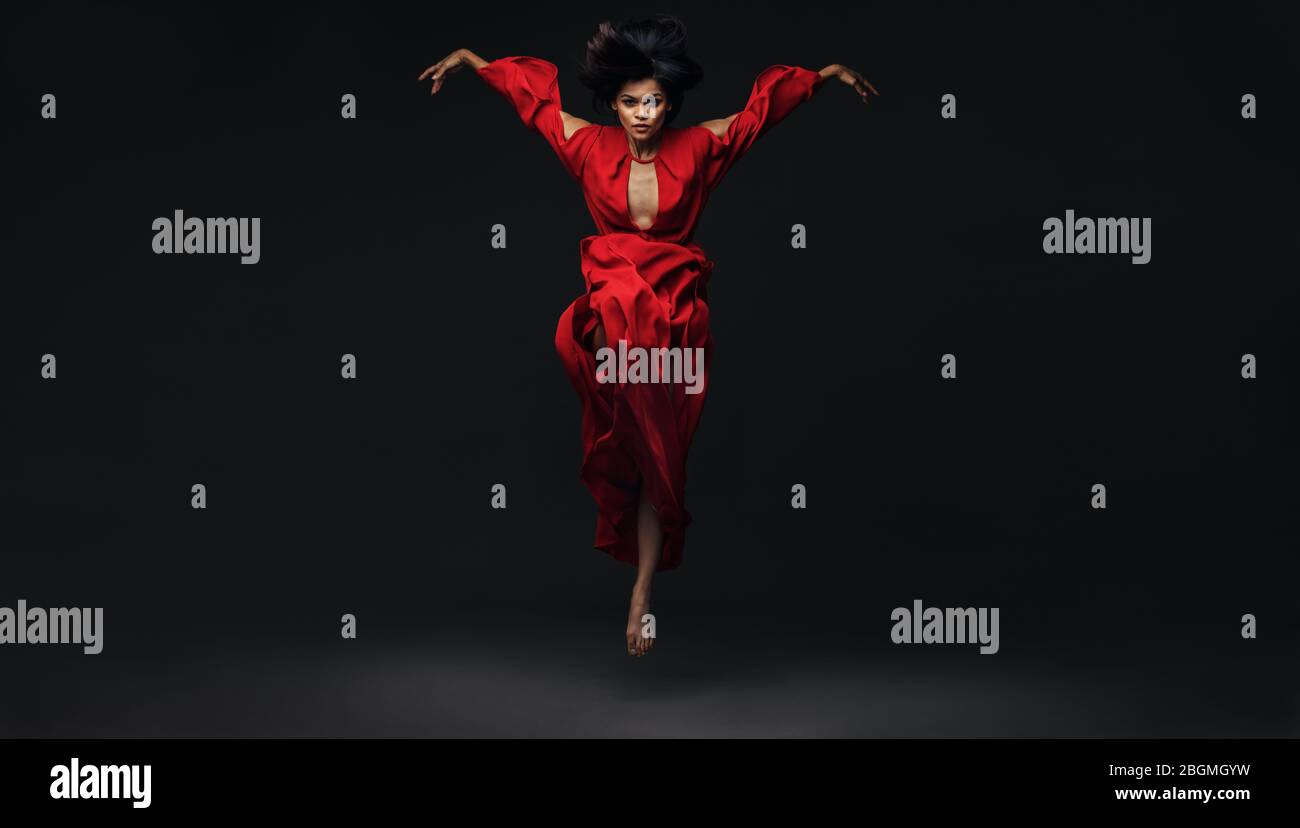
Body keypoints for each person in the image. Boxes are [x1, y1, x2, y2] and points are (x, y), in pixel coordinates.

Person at [419, 14, 877, 657]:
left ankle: (641, 597)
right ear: (613, 103)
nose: (645, 113)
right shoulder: (586, 145)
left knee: (662, 463)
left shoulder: (701, 147)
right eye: (633, 102)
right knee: (593, 333)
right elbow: (536, 105)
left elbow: (757, 114)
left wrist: (822, 78)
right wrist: (472, 58)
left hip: (676, 318)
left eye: (657, 101)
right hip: (615, 307)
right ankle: (619, 411)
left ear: (671, 102)